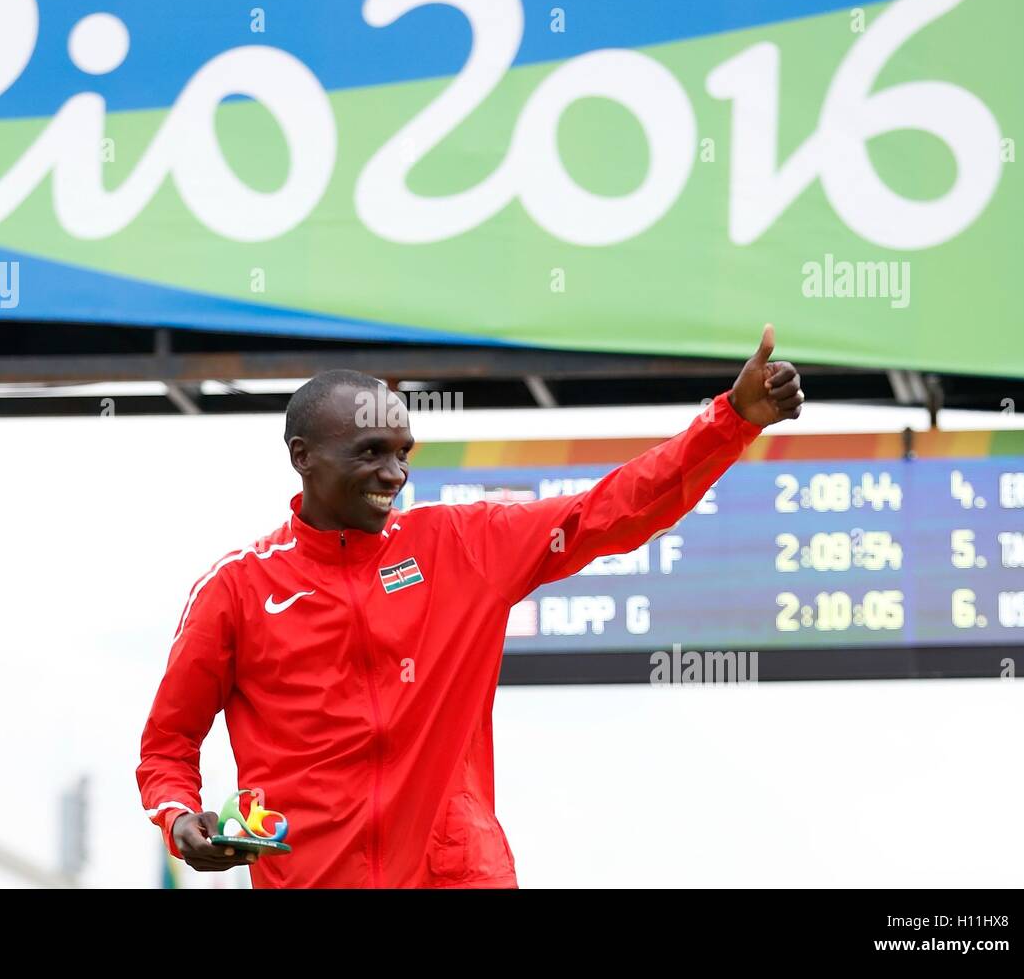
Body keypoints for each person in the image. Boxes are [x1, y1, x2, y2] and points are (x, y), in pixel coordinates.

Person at [137, 325, 803, 888]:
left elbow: (613, 508)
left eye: (402, 454)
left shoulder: (461, 545)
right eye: (369, 453)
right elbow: (168, 744)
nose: (394, 474)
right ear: (302, 457)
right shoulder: (235, 589)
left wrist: (732, 420)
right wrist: (181, 817)